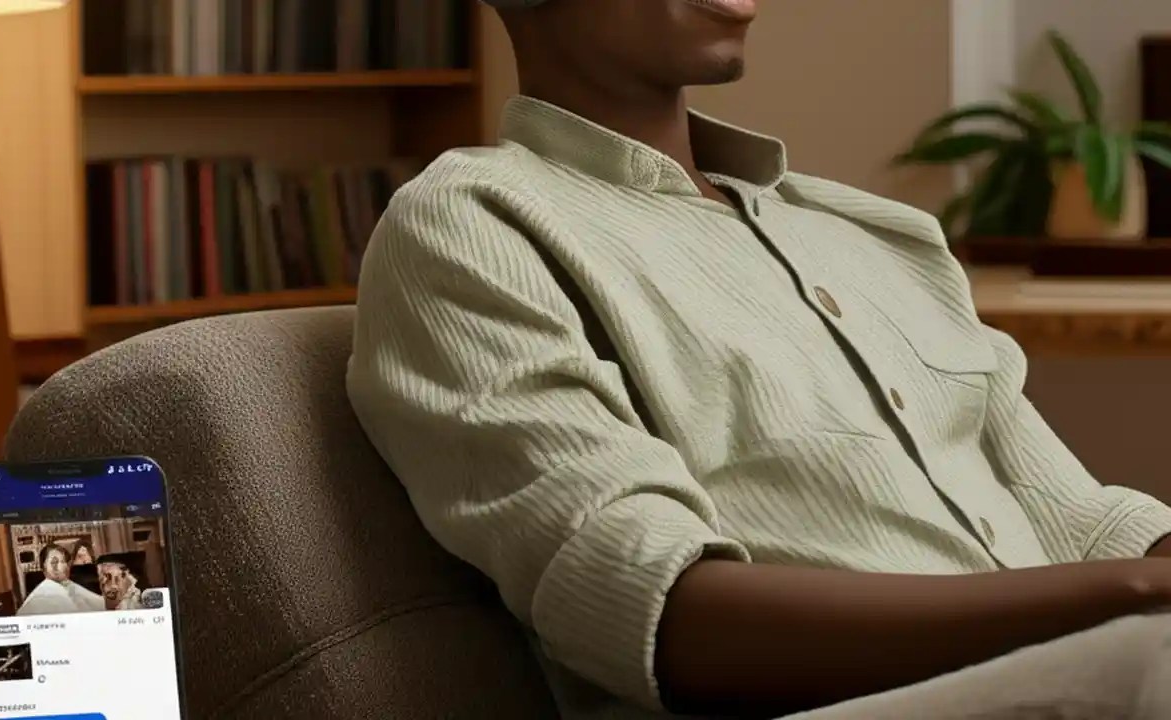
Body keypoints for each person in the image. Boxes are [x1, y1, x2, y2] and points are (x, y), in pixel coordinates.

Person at [346, 1, 1171, 717]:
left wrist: (1143, 578)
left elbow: (1084, 521)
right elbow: (663, 613)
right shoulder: (472, 224)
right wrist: (1131, 602)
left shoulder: (880, 237)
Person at [17, 544, 105, 616]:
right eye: (54, 562)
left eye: (63, 561)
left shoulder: (69, 584)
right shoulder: (43, 595)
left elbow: (99, 603)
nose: (60, 566)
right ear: (43, 567)